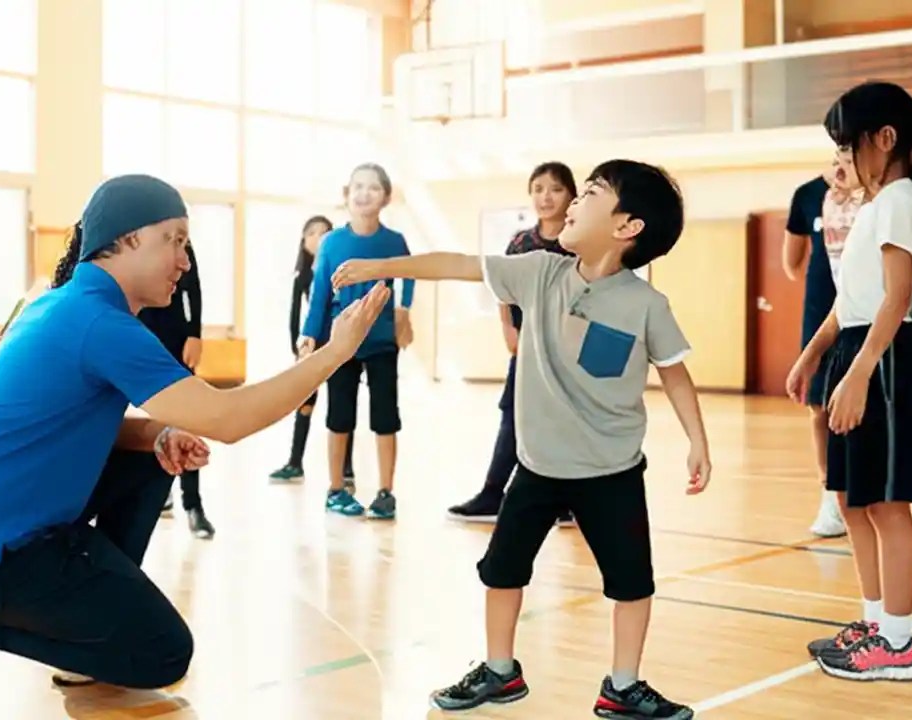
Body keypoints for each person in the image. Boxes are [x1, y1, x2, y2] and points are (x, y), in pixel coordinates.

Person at [0, 174, 390, 712]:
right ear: (128, 238)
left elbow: (63, 426)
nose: (185, 261)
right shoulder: (100, 324)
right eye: (174, 240)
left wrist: (158, 432)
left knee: (152, 461)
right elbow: (227, 418)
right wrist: (333, 354)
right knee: (162, 654)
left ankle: (77, 635)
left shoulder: (63, 304)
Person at [332, 159, 709, 719]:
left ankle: (624, 685)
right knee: (502, 570)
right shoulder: (539, 272)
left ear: (627, 226)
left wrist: (696, 440)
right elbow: (456, 264)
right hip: (536, 466)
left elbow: (675, 371)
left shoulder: (646, 305)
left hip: (612, 470)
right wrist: (380, 265)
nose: (574, 202)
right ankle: (500, 671)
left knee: (631, 583)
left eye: (591, 194)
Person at [788, 81, 912, 682]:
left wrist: (857, 375)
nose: (843, 160)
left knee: (887, 504)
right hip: (858, 349)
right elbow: (851, 301)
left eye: (847, 146)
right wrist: (814, 355)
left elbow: (897, 299)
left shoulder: (900, 198)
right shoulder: (873, 209)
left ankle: (899, 644)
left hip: (887, 360)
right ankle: (876, 622)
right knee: (855, 502)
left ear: (885, 140)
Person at [447, 162, 578, 526]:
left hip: (567, 352)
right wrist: (507, 328)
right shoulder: (520, 242)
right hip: (526, 348)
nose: (545, 196)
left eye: (554, 188)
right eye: (537, 188)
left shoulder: (578, 243)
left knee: (565, 422)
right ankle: (492, 493)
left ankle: (568, 502)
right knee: (513, 418)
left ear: (571, 195)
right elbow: (502, 288)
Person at [297, 163, 414, 520]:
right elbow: (319, 296)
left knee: (385, 417)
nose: (364, 193)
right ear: (346, 194)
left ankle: (385, 492)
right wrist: (309, 335)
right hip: (341, 342)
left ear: (386, 197)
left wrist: (403, 312)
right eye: (358, 187)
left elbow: (410, 275)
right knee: (339, 416)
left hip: (381, 343)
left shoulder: (394, 241)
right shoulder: (332, 242)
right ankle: (336, 489)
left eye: (374, 187)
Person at [783, 157, 864, 539]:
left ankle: (861, 493)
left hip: (863, 307)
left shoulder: (874, 195)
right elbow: (791, 262)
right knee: (818, 404)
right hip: (821, 305)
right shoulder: (809, 194)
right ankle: (829, 494)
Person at [134, 238, 216, 539]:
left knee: (187, 420)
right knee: (145, 422)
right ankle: (157, 492)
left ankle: (193, 505)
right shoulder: (127, 241)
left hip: (176, 337)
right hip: (137, 334)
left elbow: (192, 288)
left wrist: (194, 334)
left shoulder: (177, 241)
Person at [269, 215, 357, 486]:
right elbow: (296, 315)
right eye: (312, 233)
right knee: (305, 403)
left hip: (340, 342)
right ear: (303, 241)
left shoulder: (341, 270)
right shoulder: (302, 275)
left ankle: (346, 467)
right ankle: (295, 463)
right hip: (313, 345)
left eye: (324, 232)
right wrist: (298, 347)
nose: (318, 238)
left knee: (342, 404)